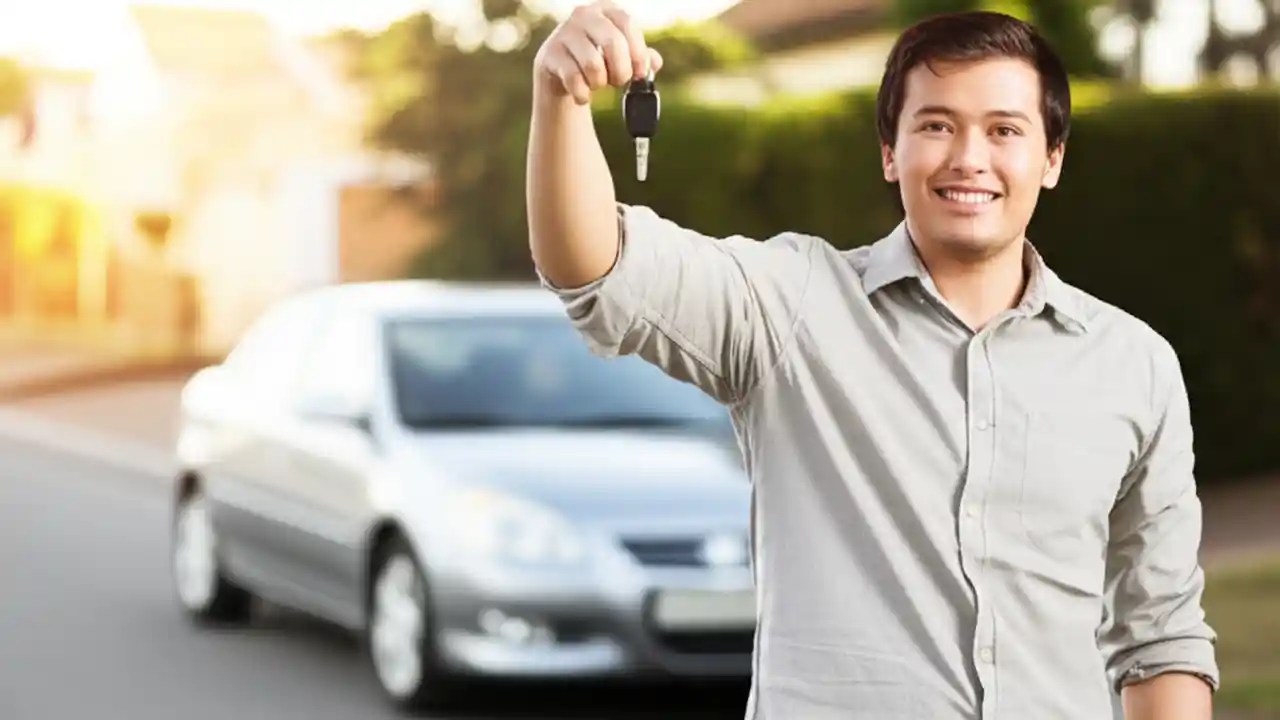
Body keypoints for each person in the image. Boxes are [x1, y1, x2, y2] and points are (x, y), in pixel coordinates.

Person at [525, 4, 1219, 718]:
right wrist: (561, 99)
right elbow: (595, 266)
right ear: (891, 152)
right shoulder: (791, 306)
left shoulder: (1134, 365)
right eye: (936, 125)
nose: (968, 158)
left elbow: (1160, 635)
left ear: (1051, 159)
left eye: (1004, 130)